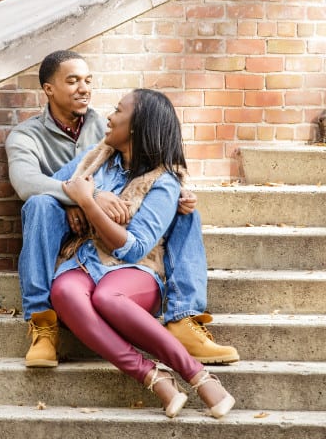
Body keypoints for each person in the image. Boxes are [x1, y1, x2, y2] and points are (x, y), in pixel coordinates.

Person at [5, 50, 238, 368]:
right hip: (64, 224)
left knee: (186, 211)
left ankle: (184, 317)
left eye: (88, 80)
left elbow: (151, 157)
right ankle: (43, 324)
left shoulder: (103, 126)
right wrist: (83, 199)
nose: (84, 88)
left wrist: (175, 192)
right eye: (72, 81)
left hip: (112, 229)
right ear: (49, 89)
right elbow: (28, 183)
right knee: (39, 203)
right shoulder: (26, 135)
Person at [51, 88, 235, 418]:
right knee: (63, 291)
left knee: (108, 298)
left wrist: (89, 202)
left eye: (118, 111)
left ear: (137, 126)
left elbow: (134, 249)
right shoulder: (97, 158)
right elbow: (53, 185)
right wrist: (70, 202)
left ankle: (198, 375)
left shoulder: (164, 182)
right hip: (85, 260)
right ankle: (152, 375)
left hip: (134, 271)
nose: (109, 116)